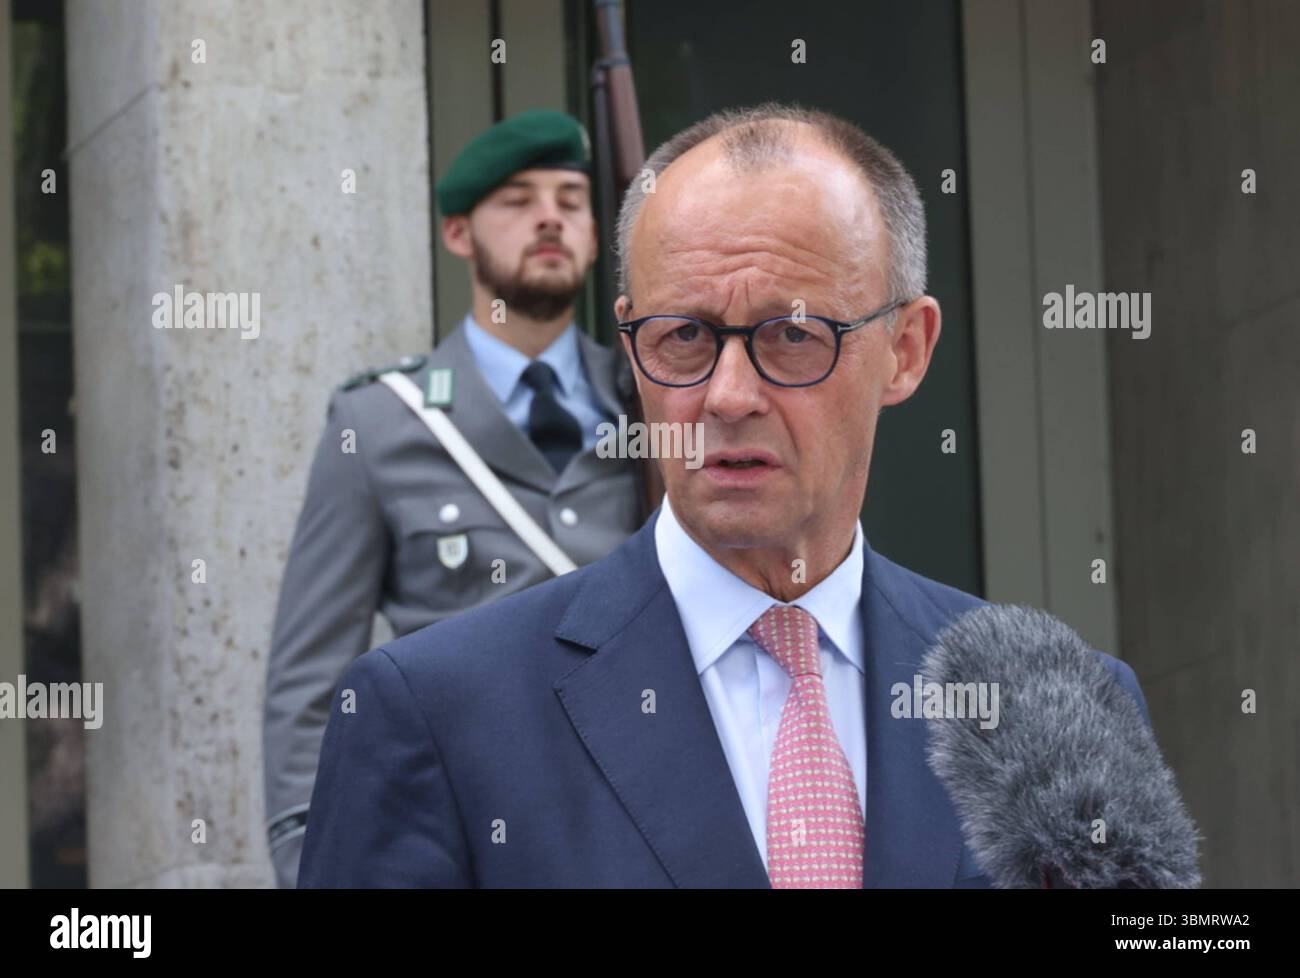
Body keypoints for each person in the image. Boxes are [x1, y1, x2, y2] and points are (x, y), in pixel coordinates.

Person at [297, 102, 1152, 888]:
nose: (728, 396)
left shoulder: (1063, 714)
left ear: (906, 349)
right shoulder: (439, 715)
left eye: (791, 335)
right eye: (683, 337)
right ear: (632, 348)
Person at [263, 110, 641, 887]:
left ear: (596, 238)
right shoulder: (378, 421)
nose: (549, 217)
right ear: (459, 235)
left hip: (637, 827)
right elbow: (311, 681)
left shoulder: (655, 409)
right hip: (457, 836)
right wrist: (309, 856)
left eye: (571, 201)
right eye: (517, 200)